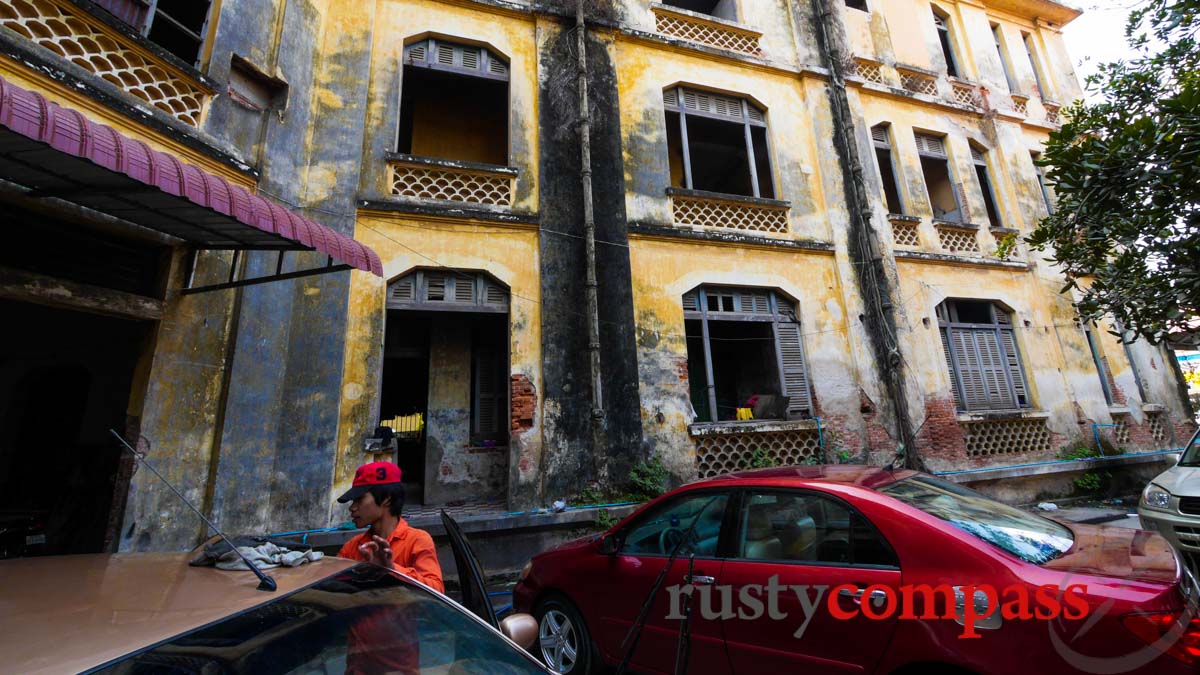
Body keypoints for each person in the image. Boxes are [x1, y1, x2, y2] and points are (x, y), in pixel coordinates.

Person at [337, 461, 444, 593]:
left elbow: (437, 590)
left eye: (359, 499)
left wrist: (391, 569)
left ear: (386, 499)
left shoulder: (417, 541)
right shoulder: (352, 547)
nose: (352, 508)